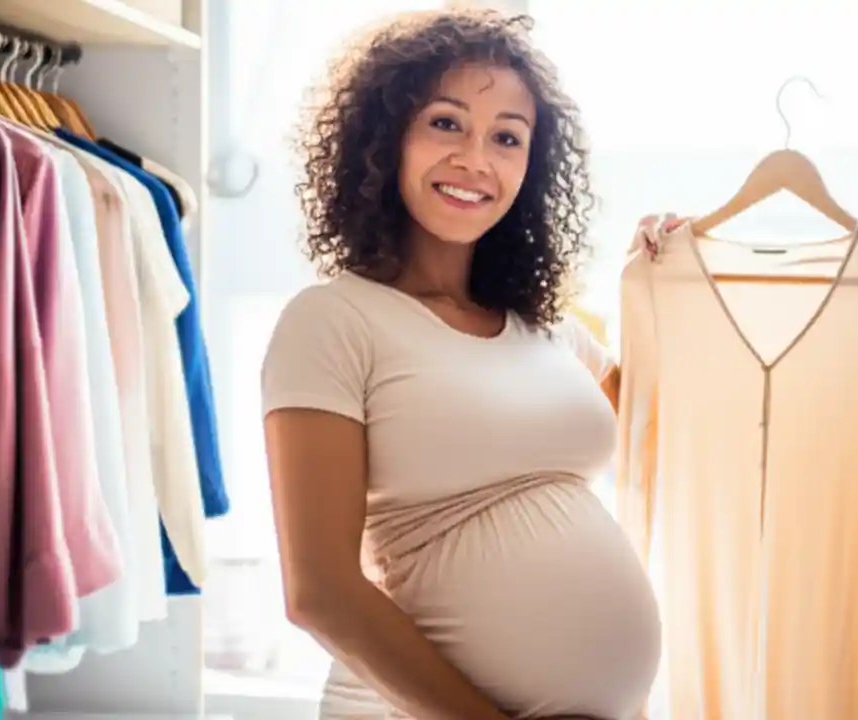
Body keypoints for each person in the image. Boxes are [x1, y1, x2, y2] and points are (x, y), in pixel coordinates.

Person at [260, 9, 661, 720]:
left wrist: (666, 283)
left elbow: (672, 439)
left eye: (508, 137)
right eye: (446, 123)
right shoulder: (332, 323)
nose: (477, 159)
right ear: (385, 141)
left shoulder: (552, 332)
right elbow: (318, 590)